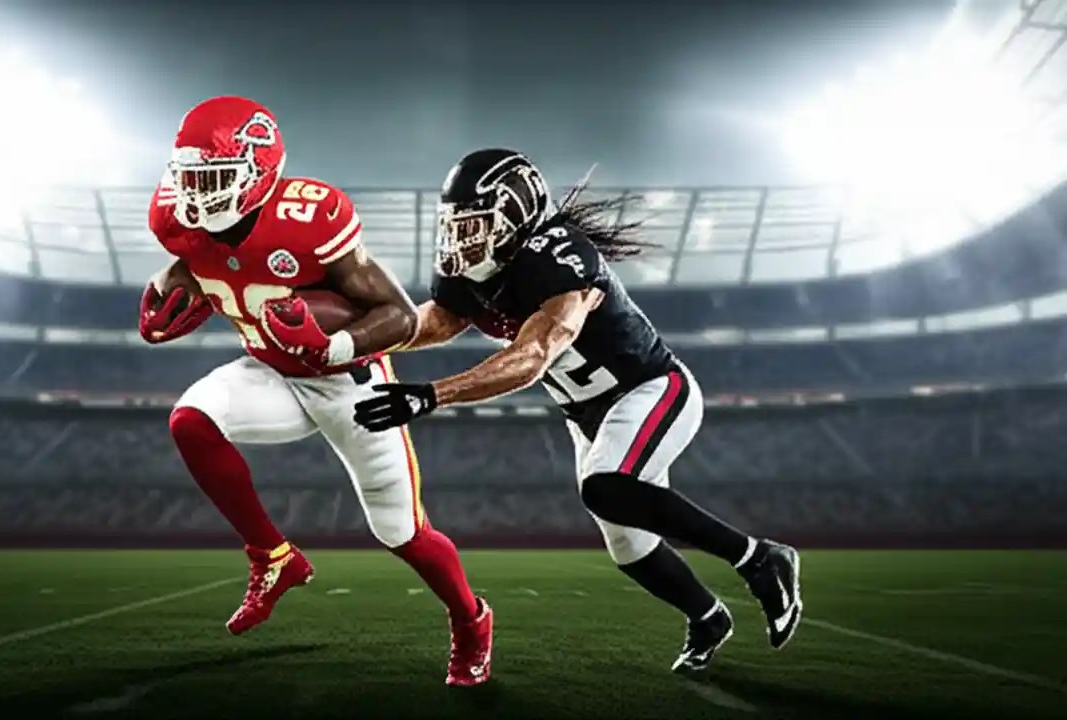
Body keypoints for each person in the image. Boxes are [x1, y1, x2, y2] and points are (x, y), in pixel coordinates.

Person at [354, 148, 801, 673]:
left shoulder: (558, 255)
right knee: (629, 548)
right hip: (588, 416)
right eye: (457, 225)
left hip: (651, 390)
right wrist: (358, 341)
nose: (462, 239)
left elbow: (532, 356)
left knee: (606, 487)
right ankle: (707, 617)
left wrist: (430, 395)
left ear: (515, 212)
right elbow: (444, 319)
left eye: (475, 224)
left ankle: (758, 558)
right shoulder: (476, 270)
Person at [142, 97, 492, 686]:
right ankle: (272, 558)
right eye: (191, 179)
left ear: (261, 171)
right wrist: (165, 290)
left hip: (349, 383)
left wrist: (332, 346)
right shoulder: (177, 219)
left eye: (215, 178)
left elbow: (401, 316)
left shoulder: (310, 217)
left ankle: (471, 621)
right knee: (191, 421)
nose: (199, 195)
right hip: (272, 373)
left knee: (401, 533)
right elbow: (196, 265)